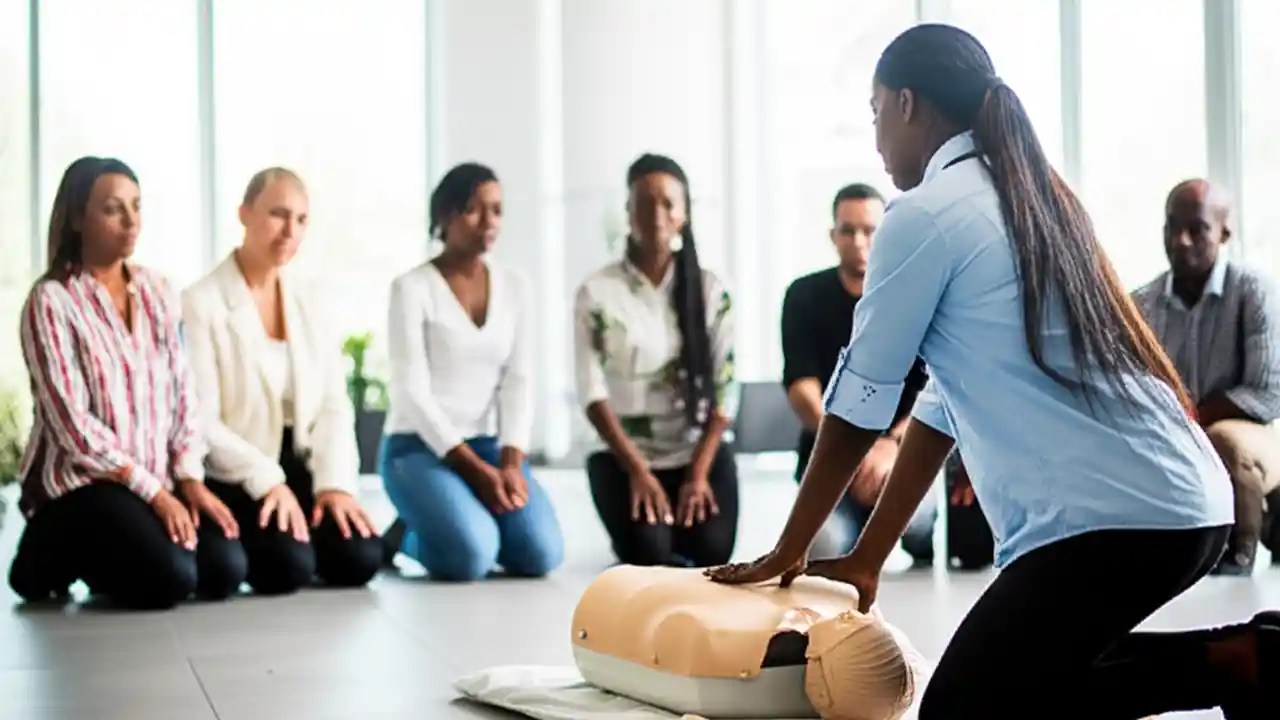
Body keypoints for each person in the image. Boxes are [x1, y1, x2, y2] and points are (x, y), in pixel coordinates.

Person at [706, 24, 1279, 718]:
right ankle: (1242, 659)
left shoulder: (924, 217)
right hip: (1184, 505)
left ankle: (1242, 660)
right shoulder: (1035, 199)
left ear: (909, 103)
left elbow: (861, 401)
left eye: (877, 111)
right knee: (1032, 683)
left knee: (967, 709)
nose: (879, 136)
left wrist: (786, 548)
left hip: (1118, 521)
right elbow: (939, 406)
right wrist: (867, 556)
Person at [9, 157, 244, 610]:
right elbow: (75, 431)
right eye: (113, 209)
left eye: (136, 206)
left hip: (149, 481)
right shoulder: (50, 301)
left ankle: (114, 553)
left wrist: (189, 480)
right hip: (81, 487)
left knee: (224, 568)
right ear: (78, 217)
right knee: (170, 578)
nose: (131, 221)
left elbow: (183, 396)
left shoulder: (159, 290)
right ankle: (43, 557)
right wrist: (155, 494)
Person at [181, 168, 383, 595]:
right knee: (286, 568)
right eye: (277, 214)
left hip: (301, 463)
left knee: (360, 558)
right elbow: (202, 419)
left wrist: (335, 486)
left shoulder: (311, 300)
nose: (290, 230)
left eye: (302, 219)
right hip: (239, 469)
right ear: (244, 214)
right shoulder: (202, 302)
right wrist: (268, 479)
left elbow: (333, 403)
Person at [379, 162, 563, 582]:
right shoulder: (411, 289)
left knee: (540, 554)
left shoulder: (516, 287)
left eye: (497, 210)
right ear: (445, 215)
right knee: (470, 558)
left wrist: (512, 464)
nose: (489, 222)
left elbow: (519, 380)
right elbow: (412, 392)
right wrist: (474, 473)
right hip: (417, 449)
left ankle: (450, 511)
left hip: (488, 447)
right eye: (474, 210)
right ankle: (402, 536)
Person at [574, 153, 739, 568]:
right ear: (628, 213)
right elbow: (591, 393)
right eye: (643, 203)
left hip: (694, 452)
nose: (656, 214)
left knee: (712, 551)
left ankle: (680, 507)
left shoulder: (709, 290)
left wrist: (698, 475)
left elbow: (726, 392)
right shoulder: (597, 292)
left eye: (668, 203)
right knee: (650, 554)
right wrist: (638, 471)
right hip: (624, 456)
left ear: (684, 214)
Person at [780, 182, 935, 563]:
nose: (859, 241)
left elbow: (933, 387)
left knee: (917, 526)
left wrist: (891, 444)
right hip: (827, 457)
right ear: (833, 235)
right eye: (847, 230)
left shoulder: (913, 295)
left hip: (897, 455)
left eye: (870, 230)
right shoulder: (803, 295)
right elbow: (802, 387)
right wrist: (847, 447)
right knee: (825, 547)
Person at [1133, 179, 1280, 577]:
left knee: (1223, 442)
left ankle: (1238, 552)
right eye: (1171, 226)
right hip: (1173, 434)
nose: (1181, 240)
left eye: (1196, 229)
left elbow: (1267, 394)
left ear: (1224, 232)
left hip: (1240, 433)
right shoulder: (1141, 304)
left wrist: (1193, 418)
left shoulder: (1253, 291)